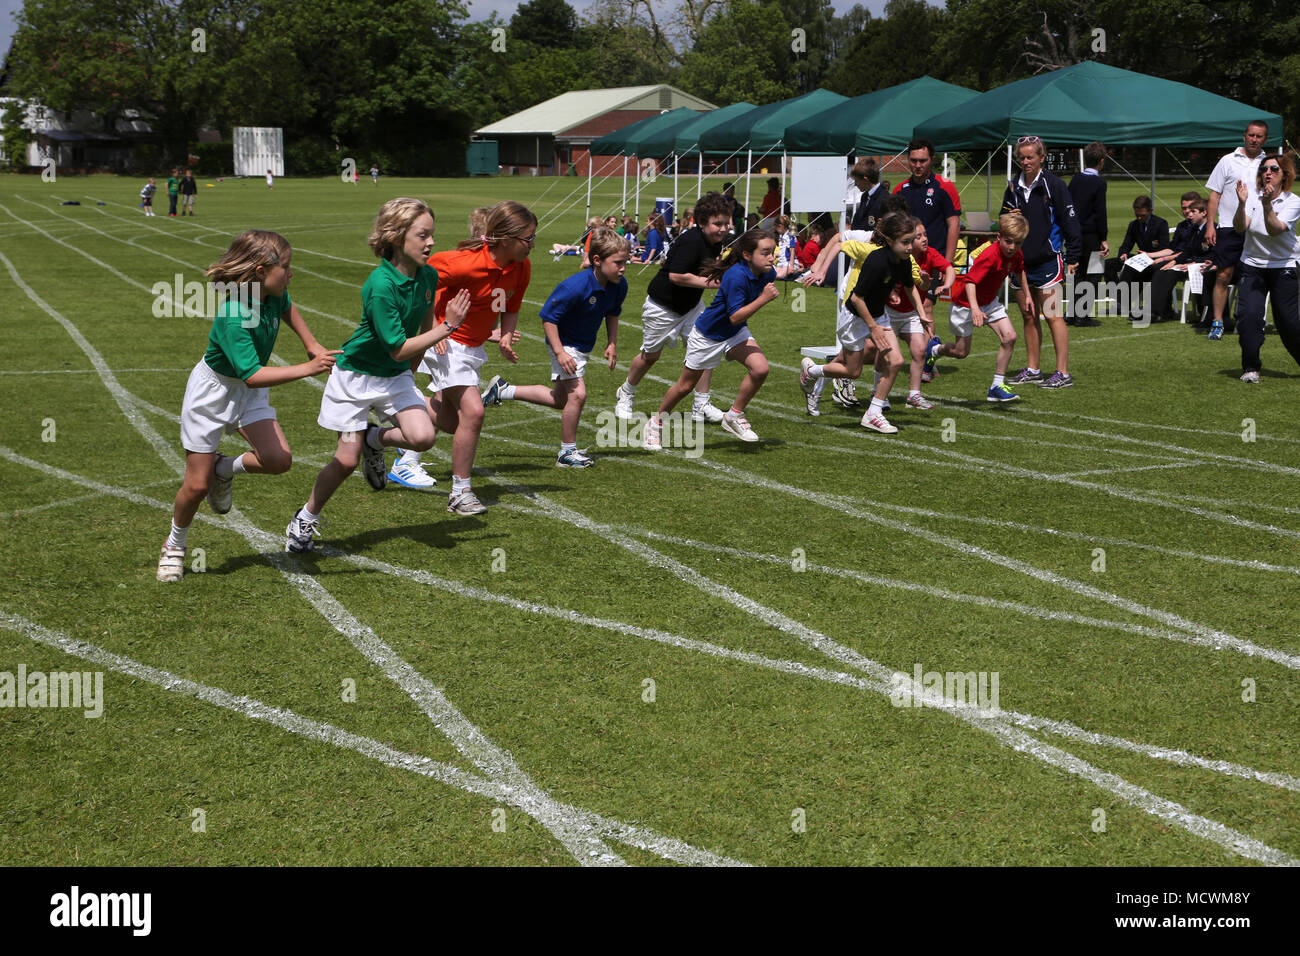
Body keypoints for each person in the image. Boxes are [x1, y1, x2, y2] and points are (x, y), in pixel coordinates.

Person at [286, 199, 471, 552]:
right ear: (397, 236)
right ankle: (305, 517)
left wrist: (416, 364)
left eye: (432, 234)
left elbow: (419, 330)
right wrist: (449, 327)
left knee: (422, 437)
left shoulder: (428, 276)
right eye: (423, 235)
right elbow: (398, 347)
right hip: (356, 375)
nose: (430, 243)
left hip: (394, 374)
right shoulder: (380, 285)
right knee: (344, 462)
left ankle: (375, 439)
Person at [158, 230, 339, 581]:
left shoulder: (272, 294)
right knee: (195, 486)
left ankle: (223, 470)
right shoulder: (235, 313)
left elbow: (287, 306)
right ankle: (175, 545)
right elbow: (252, 374)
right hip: (213, 393)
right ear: (259, 271)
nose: (290, 273)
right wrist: (310, 368)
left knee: (278, 460)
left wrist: (311, 343)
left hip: (247, 394)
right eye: (285, 267)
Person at [394, 200, 536, 516]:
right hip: (447, 342)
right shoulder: (462, 263)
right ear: (505, 238)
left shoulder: (521, 266)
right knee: (473, 412)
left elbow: (511, 306)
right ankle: (461, 492)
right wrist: (434, 329)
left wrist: (506, 334)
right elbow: (420, 285)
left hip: (472, 348)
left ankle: (387, 426)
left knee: (449, 420)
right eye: (527, 239)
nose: (532, 245)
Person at [480, 228, 626, 467]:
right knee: (577, 395)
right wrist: (560, 352)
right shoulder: (575, 286)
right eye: (618, 262)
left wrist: (612, 343)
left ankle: (503, 390)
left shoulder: (619, 285)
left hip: (582, 345)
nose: (623, 268)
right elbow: (549, 319)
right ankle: (567, 453)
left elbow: (613, 313)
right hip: (563, 342)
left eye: (625, 262)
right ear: (597, 261)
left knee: (560, 400)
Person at [644, 229, 778, 448]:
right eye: (765, 253)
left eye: (772, 252)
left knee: (761, 369)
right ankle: (655, 423)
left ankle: (733, 416)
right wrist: (763, 299)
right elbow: (735, 316)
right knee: (685, 386)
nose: (771, 258)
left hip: (733, 333)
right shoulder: (736, 276)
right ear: (746, 254)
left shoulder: (768, 274)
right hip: (708, 336)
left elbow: (736, 321)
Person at [799, 211, 925, 434]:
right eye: (905, 242)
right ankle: (812, 370)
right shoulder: (876, 261)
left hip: (877, 315)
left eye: (912, 241)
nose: (909, 247)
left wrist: (922, 314)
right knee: (852, 371)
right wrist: (873, 327)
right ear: (889, 240)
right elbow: (857, 298)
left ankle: (873, 413)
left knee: (895, 361)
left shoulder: (904, 261)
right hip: (854, 316)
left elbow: (910, 286)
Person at [614, 192, 731, 425]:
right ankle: (626, 393)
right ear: (701, 221)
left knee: (704, 351)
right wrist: (710, 283)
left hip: (691, 306)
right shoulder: (691, 241)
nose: (723, 229)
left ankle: (701, 404)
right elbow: (676, 275)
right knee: (650, 356)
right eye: (717, 224)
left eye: (726, 223)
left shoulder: (717, 242)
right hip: (663, 306)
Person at [1000, 135, 1081, 389]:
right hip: (1020, 263)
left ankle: (1062, 373)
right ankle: (1033, 369)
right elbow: (1003, 219)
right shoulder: (1013, 186)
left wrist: (1073, 255)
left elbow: (1070, 221)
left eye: (1030, 157)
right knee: (1028, 315)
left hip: (1048, 261)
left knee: (1053, 315)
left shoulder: (1054, 185)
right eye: (1021, 157)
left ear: (1042, 158)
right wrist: (1007, 216)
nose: (1025, 162)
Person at [923, 212, 1030, 403]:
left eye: (1018, 243)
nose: (1013, 247)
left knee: (1010, 337)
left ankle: (996, 386)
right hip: (964, 304)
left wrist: (1028, 295)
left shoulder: (1016, 253)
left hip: (989, 303)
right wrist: (974, 309)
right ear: (998, 238)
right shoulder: (989, 255)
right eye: (1009, 242)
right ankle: (935, 350)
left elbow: (1020, 271)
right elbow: (970, 282)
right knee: (961, 352)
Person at [1231, 153, 1300, 382]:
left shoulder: (1293, 201)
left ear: (1285, 175)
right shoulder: (1252, 197)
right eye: (1264, 169)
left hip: (1284, 267)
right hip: (1252, 266)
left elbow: (1274, 229)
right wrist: (1242, 204)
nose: (1267, 172)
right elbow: (1240, 227)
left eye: (1274, 169)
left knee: (1288, 324)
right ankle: (1251, 368)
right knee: (1249, 317)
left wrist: (1267, 204)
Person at [1204, 120, 1268, 339]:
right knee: (1223, 275)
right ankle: (1218, 322)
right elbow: (1214, 194)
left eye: (1259, 136)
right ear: (1244, 136)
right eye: (1251, 135)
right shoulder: (1227, 161)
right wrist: (1210, 224)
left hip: (1258, 228)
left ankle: (1250, 320)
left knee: (1253, 277)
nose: (1254, 139)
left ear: (1264, 139)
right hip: (1229, 228)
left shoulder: (1268, 163)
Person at [889, 225, 953, 409]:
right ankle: (877, 393)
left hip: (912, 313)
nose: (924, 238)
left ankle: (914, 396)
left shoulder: (931, 254)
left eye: (925, 234)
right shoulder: (896, 256)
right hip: (889, 312)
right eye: (919, 236)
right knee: (884, 355)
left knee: (919, 350)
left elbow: (949, 268)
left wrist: (946, 284)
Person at [1146, 196, 1214, 323]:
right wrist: (1174, 261)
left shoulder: (1212, 229)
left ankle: (1156, 312)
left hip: (1201, 266)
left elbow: (1214, 254)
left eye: (1193, 212)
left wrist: (1195, 262)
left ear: (1204, 213)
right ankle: (1154, 310)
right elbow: (1187, 250)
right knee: (1163, 270)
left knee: (1170, 273)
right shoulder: (1195, 229)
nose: (1190, 215)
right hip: (1189, 263)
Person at [894, 139, 960, 261]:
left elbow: (954, 225)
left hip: (936, 260)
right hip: (906, 260)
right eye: (914, 161)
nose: (918, 165)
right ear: (908, 159)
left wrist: (947, 262)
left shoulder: (945, 187)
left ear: (932, 160)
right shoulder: (899, 190)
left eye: (923, 161)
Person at [1067, 142, 1108, 326]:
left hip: (1074, 233)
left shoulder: (1075, 180)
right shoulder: (1099, 183)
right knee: (1093, 274)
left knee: (1078, 273)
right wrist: (1104, 237)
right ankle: (1082, 315)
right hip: (1091, 234)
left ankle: (1073, 312)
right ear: (1101, 161)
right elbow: (1100, 212)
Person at [1113, 196, 1170, 322]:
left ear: (1150, 211)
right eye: (1137, 215)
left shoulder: (1161, 224)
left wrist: (1149, 255)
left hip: (1156, 259)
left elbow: (1165, 248)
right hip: (1141, 258)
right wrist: (1123, 254)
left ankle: (1123, 303)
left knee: (1130, 268)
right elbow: (1126, 244)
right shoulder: (1134, 225)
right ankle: (1120, 300)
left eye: (1142, 215)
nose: (1139, 218)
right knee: (1110, 265)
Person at [850, 158, 888, 232]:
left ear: (865, 179)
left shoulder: (884, 199)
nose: (855, 184)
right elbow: (857, 222)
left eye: (856, 180)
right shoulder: (864, 196)